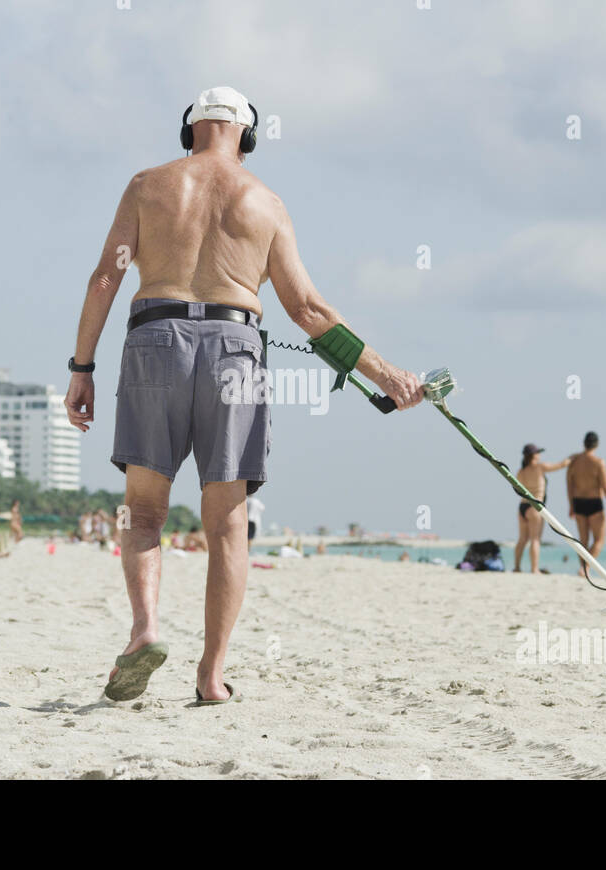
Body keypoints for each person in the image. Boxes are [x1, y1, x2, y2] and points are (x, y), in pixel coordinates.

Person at [65, 86, 424, 704]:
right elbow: (308, 311)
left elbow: (106, 275)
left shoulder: (147, 184)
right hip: (235, 345)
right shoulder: (266, 202)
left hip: (155, 337)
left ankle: (145, 628)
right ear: (247, 137)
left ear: (190, 129)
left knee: (146, 509)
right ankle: (211, 676)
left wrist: (82, 366)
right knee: (228, 522)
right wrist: (386, 375)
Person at [513, 444, 570, 574]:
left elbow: (517, 488)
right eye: (538, 453)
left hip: (522, 506)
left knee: (522, 539)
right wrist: (571, 459)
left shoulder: (521, 471)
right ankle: (534, 568)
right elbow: (560, 465)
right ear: (534, 455)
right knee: (535, 539)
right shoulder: (540, 467)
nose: (539, 455)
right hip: (535, 505)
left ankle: (517, 566)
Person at [566, 431, 606, 566]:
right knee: (599, 540)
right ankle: (586, 568)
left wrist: (571, 505)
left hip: (578, 501)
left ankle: (583, 568)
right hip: (594, 503)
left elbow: (569, 485)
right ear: (597, 445)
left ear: (584, 443)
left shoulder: (574, 462)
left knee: (583, 541)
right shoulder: (599, 462)